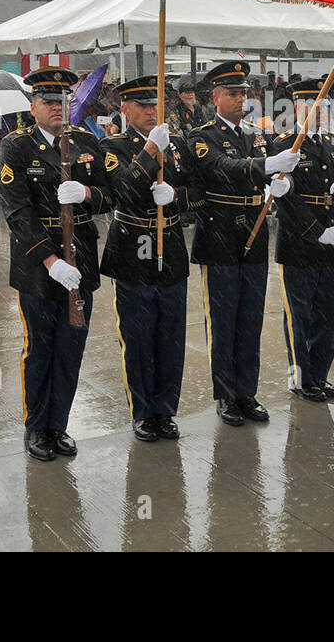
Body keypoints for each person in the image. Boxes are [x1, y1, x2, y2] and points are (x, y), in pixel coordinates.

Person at [0, 68, 111, 462]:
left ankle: (59, 425)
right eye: (47, 102)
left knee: (71, 349)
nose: (55, 108)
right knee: (41, 351)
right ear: (32, 107)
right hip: (38, 266)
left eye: (61, 101)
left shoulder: (84, 141)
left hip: (81, 258)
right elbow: (17, 211)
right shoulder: (17, 146)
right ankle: (37, 427)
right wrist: (50, 260)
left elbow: (109, 196)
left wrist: (86, 192)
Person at [189, 61, 300, 427]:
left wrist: (280, 186)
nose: (241, 99)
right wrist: (267, 165)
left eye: (244, 92)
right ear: (215, 97)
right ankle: (225, 395)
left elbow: (267, 173)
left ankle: (246, 392)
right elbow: (223, 167)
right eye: (233, 93)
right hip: (220, 233)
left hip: (254, 232)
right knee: (222, 320)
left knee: (251, 317)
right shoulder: (201, 136)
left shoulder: (255, 134)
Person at [99, 75, 202, 443]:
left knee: (171, 337)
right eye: (141, 106)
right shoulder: (112, 146)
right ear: (124, 110)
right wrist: (148, 154)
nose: (149, 111)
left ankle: (165, 410)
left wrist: (175, 195)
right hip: (131, 249)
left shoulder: (176, 145)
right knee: (138, 339)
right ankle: (143, 412)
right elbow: (122, 191)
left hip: (170, 245)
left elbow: (199, 191)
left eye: (154, 105)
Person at [271, 78, 334, 402]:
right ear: (298, 108)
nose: (320, 112)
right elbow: (285, 200)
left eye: (324, 107)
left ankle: (320, 376)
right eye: (313, 106)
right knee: (299, 315)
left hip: (332, 243)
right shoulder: (285, 145)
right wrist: (316, 232)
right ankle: (301, 377)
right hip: (299, 244)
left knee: (326, 314)